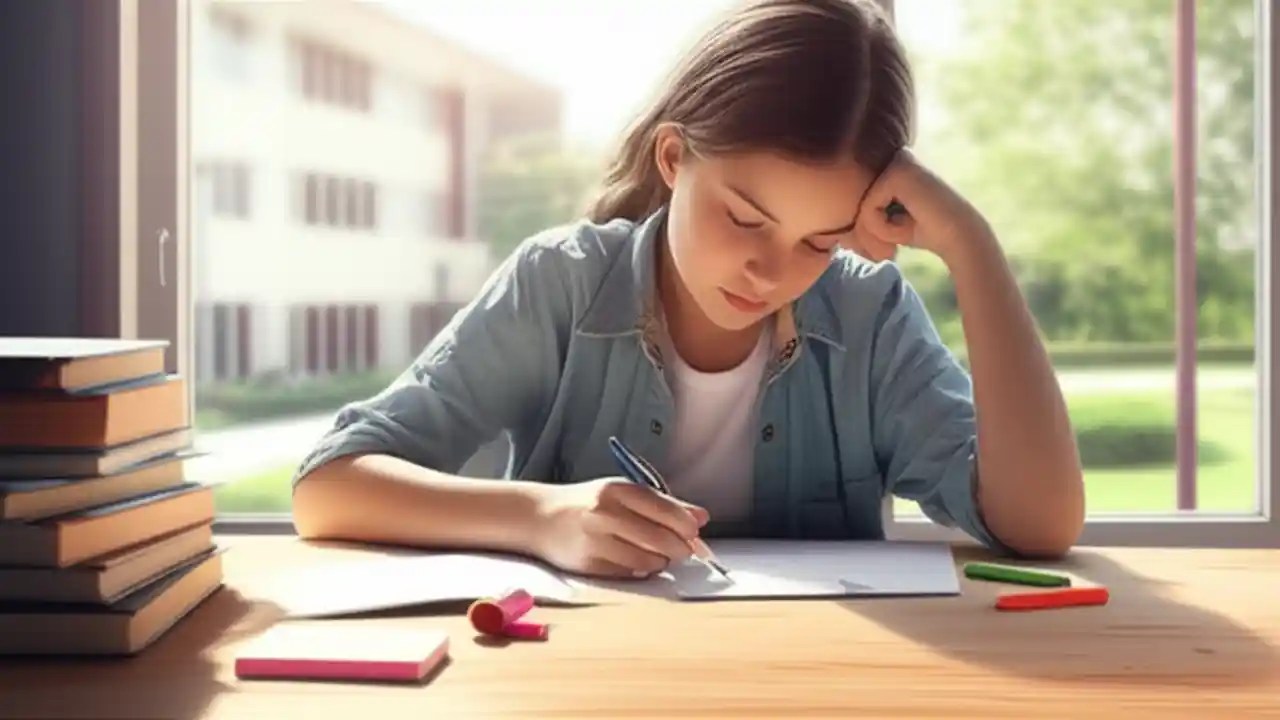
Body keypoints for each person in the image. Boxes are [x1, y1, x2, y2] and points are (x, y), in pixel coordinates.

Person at [291, 0, 1085, 578]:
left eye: (819, 239)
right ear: (674, 160)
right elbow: (328, 488)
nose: (768, 272)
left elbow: (1040, 525)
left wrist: (970, 245)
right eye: (744, 218)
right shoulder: (561, 283)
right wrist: (538, 517)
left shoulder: (867, 314)